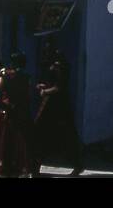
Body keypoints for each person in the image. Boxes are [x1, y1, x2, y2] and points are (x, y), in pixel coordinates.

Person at [0, 51, 33, 177]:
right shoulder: (26, 76)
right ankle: (21, 168)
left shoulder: (5, 74)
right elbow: (28, 95)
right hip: (20, 111)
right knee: (20, 141)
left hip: (6, 111)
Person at [32, 41, 83, 176]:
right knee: (42, 134)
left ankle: (77, 164)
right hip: (50, 103)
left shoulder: (59, 66)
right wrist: (44, 86)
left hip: (57, 106)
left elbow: (59, 87)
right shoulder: (52, 65)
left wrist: (46, 91)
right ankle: (36, 165)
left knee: (60, 134)